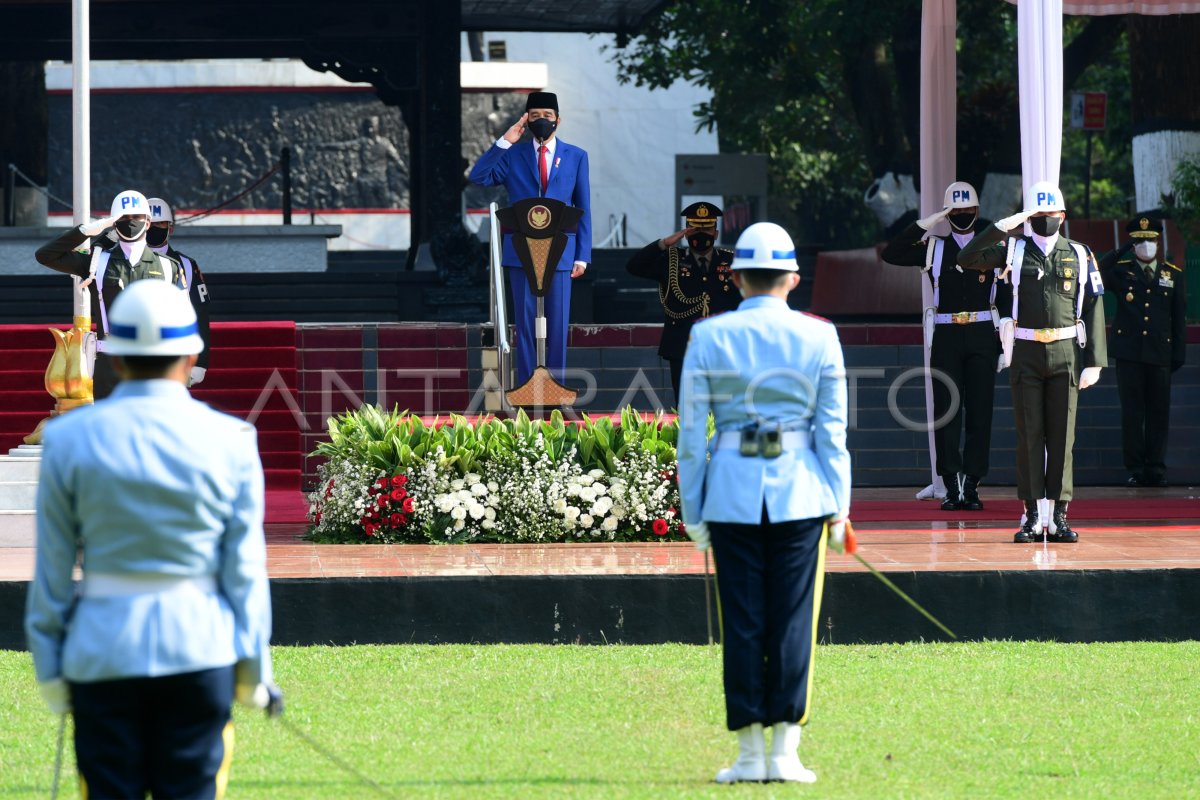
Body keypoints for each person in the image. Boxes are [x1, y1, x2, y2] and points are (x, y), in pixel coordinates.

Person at [24, 279, 279, 799]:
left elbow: (51, 567)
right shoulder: (232, 440)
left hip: (100, 655)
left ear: (114, 360)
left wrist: (50, 667)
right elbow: (244, 570)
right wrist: (254, 670)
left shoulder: (69, 438)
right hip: (200, 651)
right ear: (190, 356)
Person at [677, 222, 851, 784]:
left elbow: (689, 436)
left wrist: (693, 510)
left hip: (729, 492)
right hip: (801, 492)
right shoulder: (820, 336)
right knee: (793, 622)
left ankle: (750, 755)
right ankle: (785, 754)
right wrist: (839, 507)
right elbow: (832, 432)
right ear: (794, 278)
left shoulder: (707, 336)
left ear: (733, 277)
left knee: (744, 623)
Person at [958, 181, 1107, 543]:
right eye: (1037, 216)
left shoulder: (1080, 253)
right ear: (1028, 218)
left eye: (1050, 215)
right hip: (1025, 352)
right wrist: (1004, 225)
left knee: (1061, 437)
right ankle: (1028, 515)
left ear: (1062, 216)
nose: (1044, 221)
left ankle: (1057, 516)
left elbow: (1095, 305)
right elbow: (966, 258)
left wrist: (1095, 360)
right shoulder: (1011, 250)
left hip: (1066, 353)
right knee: (1028, 437)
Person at [881, 181, 1011, 511]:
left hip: (983, 333)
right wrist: (929, 222)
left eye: (968, 211)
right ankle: (951, 485)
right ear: (947, 212)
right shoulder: (933, 247)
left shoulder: (996, 247)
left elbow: (1008, 295)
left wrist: (1005, 339)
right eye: (955, 211)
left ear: (978, 211)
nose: (963, 216)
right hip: (947, 335)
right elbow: (892, 252)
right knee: (946, 411)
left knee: (981, 412)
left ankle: (973, 484)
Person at [468, 90, 592, 383]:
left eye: (547, 116)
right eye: (534, 116)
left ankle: (556, 386)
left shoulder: (576, 156)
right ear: (526, 119)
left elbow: (583, 207)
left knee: (558, 323)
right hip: (521, 248)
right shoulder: (514, 154)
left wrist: (583, 255)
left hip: (561, 251)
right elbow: (479, 177)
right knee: (524, 323)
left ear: (558, 120)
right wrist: (504, 141)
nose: (541, 121)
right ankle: (527, 387)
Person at [35, 189, 187, 399]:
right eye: (124, 217)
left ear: (148, 221)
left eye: (137, 217)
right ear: (114, 222)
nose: (131, 222)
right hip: (109, 363)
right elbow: (45, 255)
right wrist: (88, 231)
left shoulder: (169, 267)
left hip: (153, 363)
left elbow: (181, 320)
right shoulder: (97, 263)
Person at [1098, 215, 1187, 487]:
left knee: (1159, 412)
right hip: (1129, 354)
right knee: (1133, 413)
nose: (1146, 245)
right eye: (1140, 241)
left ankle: (1156, 467)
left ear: (1158, 243)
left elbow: (1178, 318)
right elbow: (1095, 272)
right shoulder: (1122, 271)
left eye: (1150, 240)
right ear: (1133, 244)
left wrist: (1178, 354)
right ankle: (1135, 468)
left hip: (1160, 353)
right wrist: (1121, 250)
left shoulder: (1172, 274)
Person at [625, 201, 739, 405]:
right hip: (682, 346)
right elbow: (634, 266)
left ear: (716, 233)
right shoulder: (671, 259)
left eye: (706, 229)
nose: (701, 234)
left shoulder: (730, 261)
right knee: (686, 406)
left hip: (722, 346)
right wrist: (663, 244)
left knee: (722, 406)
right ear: (686, 233)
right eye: (695, 229)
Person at [147, 197, 212, 387]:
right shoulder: (123, 262)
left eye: (160, 223)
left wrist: (201, 361)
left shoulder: (187, 266)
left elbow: (200, 314)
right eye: (150, 223)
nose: (154, 228)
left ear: (171, 228)